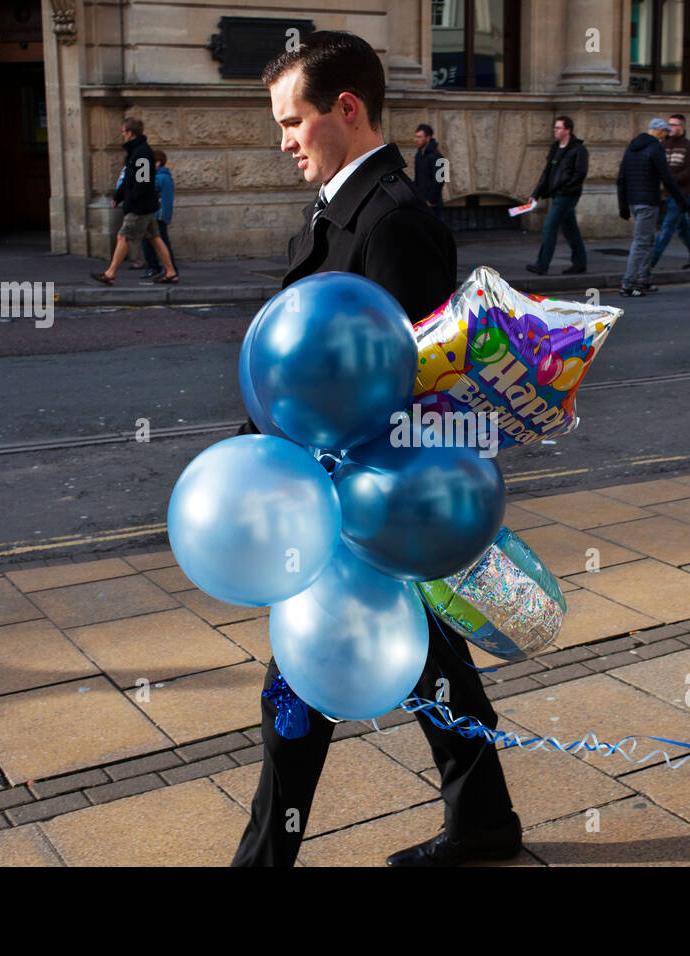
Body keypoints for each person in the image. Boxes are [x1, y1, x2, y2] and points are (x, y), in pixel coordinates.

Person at [232, 30, 520, 869]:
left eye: (294, 121)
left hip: (362, 502)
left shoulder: (394, 222)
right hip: (341, 495)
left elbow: (414, 390)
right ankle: (485, 823)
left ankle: (263, 863)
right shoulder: (345, 209)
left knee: (299, 687)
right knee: (431, 667)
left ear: (346, 109)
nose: (284, 140)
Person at [91, 117, 178, 285]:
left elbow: (143, 182)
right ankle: (171, 272)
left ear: (130, 133)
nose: (122, 134)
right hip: (144, 205)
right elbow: (129, 179)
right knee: (155, 238)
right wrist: (118, 197)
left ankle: (110, 274)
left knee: (123, 236)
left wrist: (132, 201)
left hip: (140, 207)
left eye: (123, 131)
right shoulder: (136, 152)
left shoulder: (142, 153)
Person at [616, 118, 688, 296]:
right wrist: (681, 200)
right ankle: (628, 283)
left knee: (648, 241)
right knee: (641, 243)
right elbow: (666, 176)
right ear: (658, 131)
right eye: (664, 132)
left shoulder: (632, 148)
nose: (665, 136)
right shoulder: (655, 148)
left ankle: (644, 279)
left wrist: (623, 205)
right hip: (648, 201)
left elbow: (621, 178)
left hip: (633, 201)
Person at [525, 116, 589, 276]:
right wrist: (536, 194)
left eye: (559, 127)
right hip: (557, 194)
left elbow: (579, 174)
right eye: (555, 127)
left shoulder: (578, 150)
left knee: (549, 226)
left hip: (567, 195)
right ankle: (580, 263)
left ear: (568, 130)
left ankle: (542, 264)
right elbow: (547, 174)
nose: (556, 130)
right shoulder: (555, 148)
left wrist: (564, 188)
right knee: (570, 229)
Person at [643, 113, 690, 277]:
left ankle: (649, 264)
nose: (670, 127)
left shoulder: (689, 147)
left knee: (666, 229)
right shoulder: (663, 145)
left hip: (682, 195)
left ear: (682, 128)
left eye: (675, 124)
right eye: (669, 124)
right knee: (684, 229)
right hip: (667, 194)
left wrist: (670, 180)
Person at [140, 150, 176, 278]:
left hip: (157, 216)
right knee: (149, 242)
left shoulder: (162, 178)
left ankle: (168, 268)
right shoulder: (156, 176)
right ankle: (156, 266)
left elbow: (167, 199)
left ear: (157, 163)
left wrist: (164, 216)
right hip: (151, 215)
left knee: (161, 243)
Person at [412, 123, 446, 220]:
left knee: (437, 232)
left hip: (434, 204)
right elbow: (417, 178)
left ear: (428, 138)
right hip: (421, 202)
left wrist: (432, 200)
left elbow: (441, 179)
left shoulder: (438, 156)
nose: (416, 140)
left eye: (419, 137)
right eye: (416, 137)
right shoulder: (418, 155)